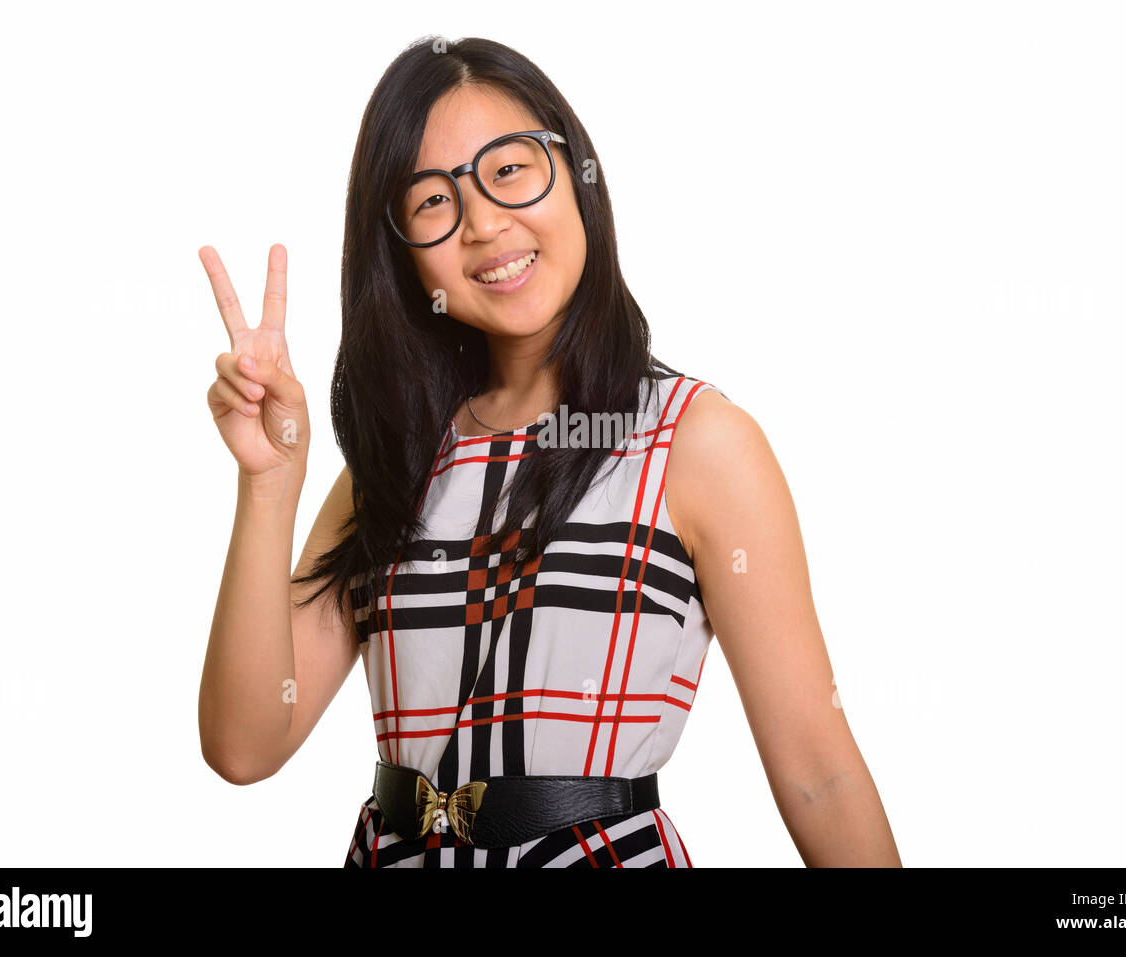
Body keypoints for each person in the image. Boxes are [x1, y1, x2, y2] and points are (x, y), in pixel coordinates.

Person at [197, 35, 900, 868]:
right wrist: (271, 483)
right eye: (432, 202)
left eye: (509, 169)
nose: (486, 225)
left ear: (576, 173)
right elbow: (245, 745)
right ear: (401, 253)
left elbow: (821, 775)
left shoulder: (696, 443)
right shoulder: (394, 467)